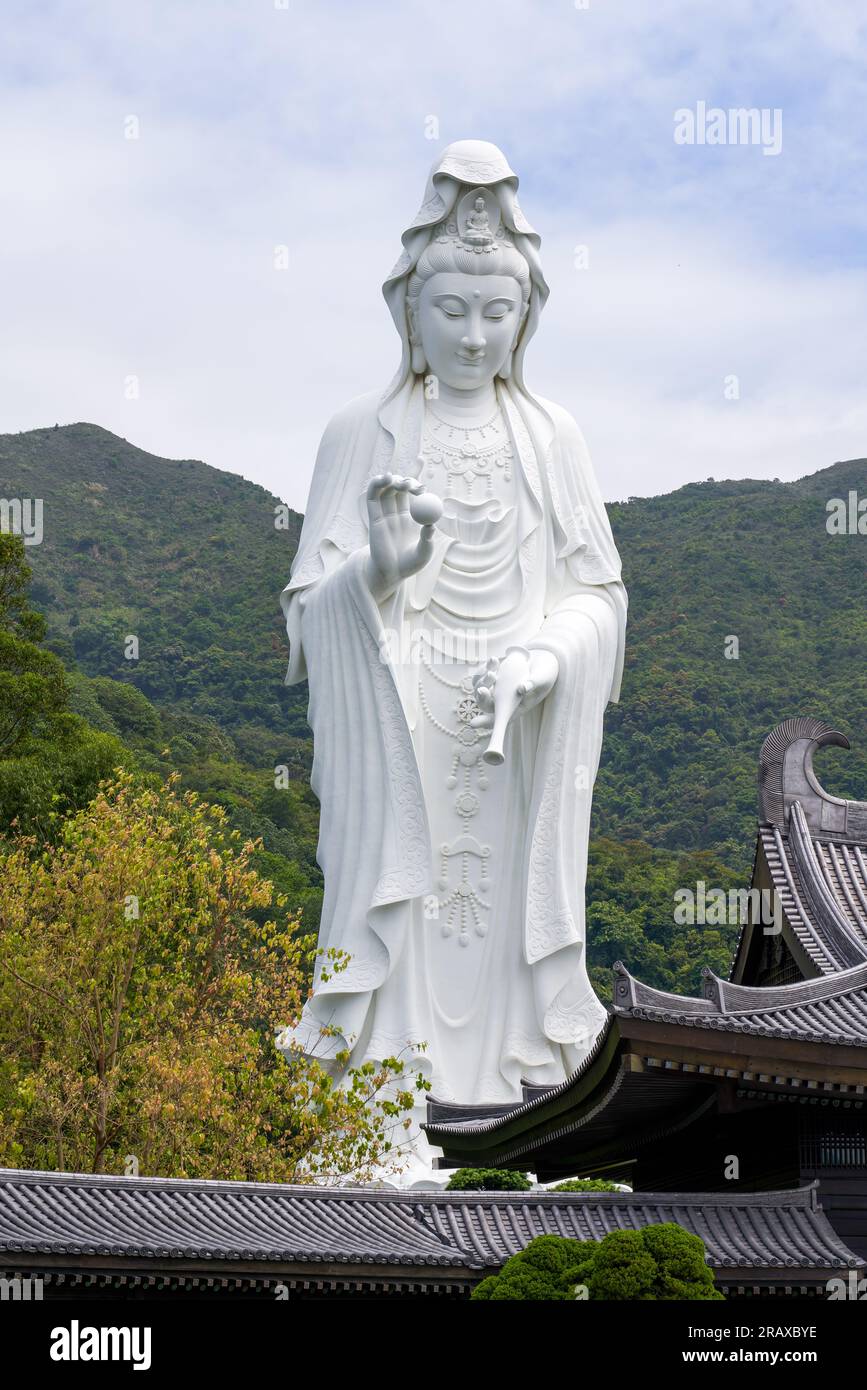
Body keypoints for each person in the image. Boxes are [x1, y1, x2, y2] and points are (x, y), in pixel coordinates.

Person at [278, 140, 627, 1178]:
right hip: (400, 715)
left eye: (497, 312)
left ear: (526, 316)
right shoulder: (362, 431)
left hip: (514, 726)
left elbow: (597, 594)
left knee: (501, 917)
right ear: (411, 311)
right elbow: (308, 608)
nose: (476, 334)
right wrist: (373, 579)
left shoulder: (554, 435)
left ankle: (523, 1114)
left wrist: (546, 660)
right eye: (453, 310)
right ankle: (383, 1107)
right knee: (406, 907)